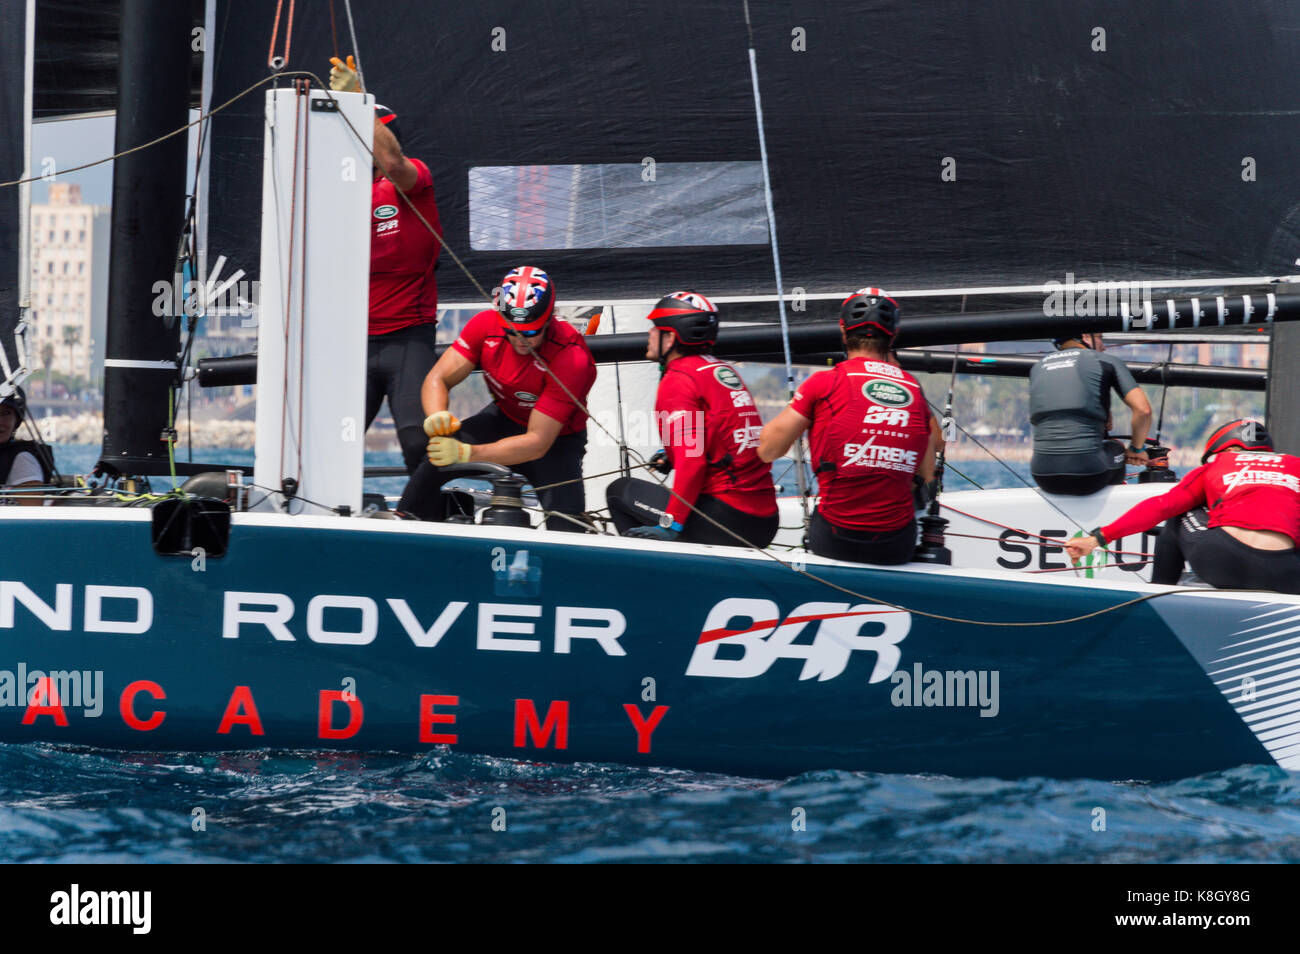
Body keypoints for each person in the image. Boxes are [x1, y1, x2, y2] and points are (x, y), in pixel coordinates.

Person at [397, 266, 597, 531]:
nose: (520, 340)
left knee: (568, 528)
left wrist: (468, 453)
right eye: (512, 331)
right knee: (433, 457)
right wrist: (437, 414)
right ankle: (410, 523)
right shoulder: (485, 325)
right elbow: (438, 378)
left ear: (549, 320)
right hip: (504, 417)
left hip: (555, 442)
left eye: (530, 332)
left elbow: (537, 443)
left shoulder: (571, 357)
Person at [758, 287, 938, 564]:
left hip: (837, 538)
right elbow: (926, 474)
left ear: (843, 330)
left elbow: (767, 450)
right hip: (895, 544)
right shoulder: (913, 387)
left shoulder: (824, 382)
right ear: (893, 334)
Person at [330, 55, 443, 474]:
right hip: (350, 342)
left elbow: (394, 164)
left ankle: (422, 515)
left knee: (417, 440)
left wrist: (357, 100)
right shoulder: (336, 191)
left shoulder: (412, 181)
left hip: (406, 338)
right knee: (329, 445)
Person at [605, 291, 777, 546]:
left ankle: (658, 577)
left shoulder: (679, 380)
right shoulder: (720, 370)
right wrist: (670, 454)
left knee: (619, 491)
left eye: (655, 329)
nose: (649, 335)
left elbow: (692, 462)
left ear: (670, 337)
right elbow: (716, 437)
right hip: (764, 521)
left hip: (728, 518)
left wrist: (671, 524)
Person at [1065, 420, 1300, 593]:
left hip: (1222, 562)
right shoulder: (1294, 464)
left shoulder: (1219, 463)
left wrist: (1096, 539)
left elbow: (1161, 506)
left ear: (1225, 450)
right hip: (1285, 574)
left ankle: (1156, 596)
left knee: (1179, 513)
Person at [1029, 333, 1152, 495]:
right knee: (1116, 448)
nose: (1104, 346)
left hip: (1042, 476)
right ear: (1086, 336)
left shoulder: (1037, 367)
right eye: (1100, 338)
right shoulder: (1106, 361)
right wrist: (1136, 449)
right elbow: (1143, 410)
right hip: (1088, 475)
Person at [0, 387, 51, 506]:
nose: (0, 421)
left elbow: (33, 517)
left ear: (16, 421)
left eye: (6, 413)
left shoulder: (22, 460)